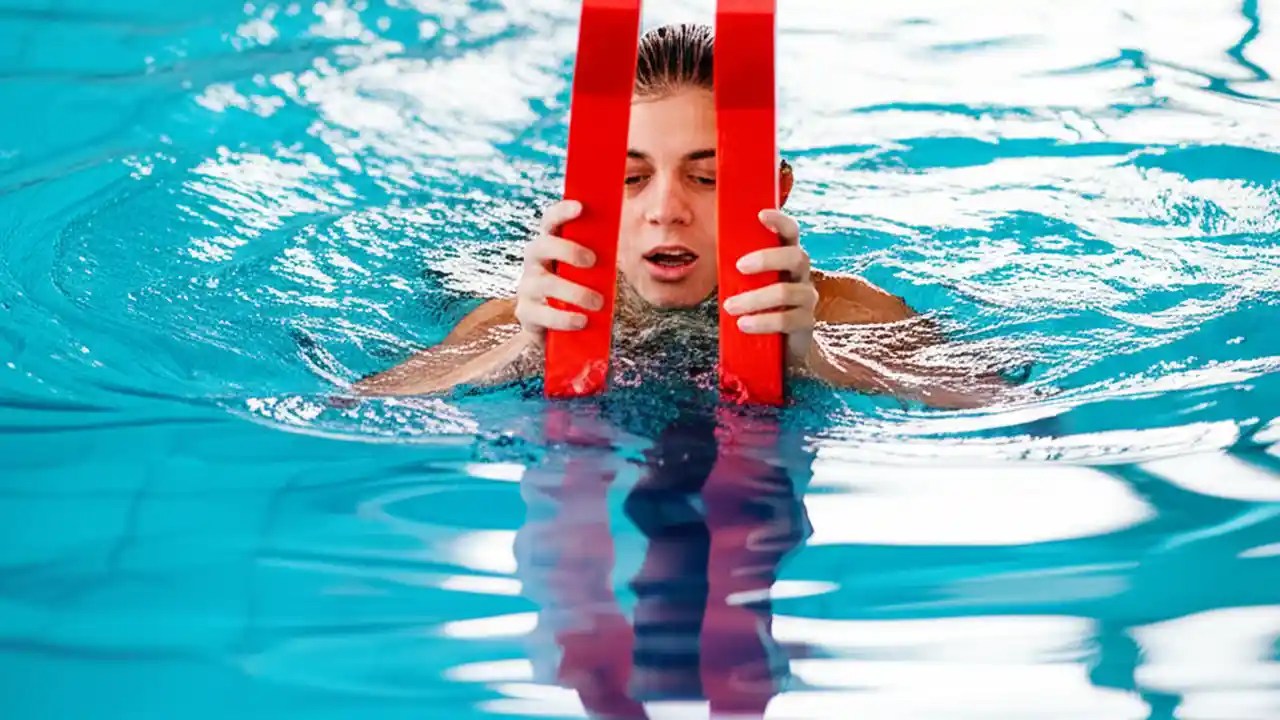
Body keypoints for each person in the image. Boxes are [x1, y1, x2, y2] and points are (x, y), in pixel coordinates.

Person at [354, 24, 1011, 409]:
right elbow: (354, 409)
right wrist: (517, 354)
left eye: (708, 178)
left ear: (776, 192)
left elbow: (1015, 413)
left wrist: (821, 361)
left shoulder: (849, 314)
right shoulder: (519, 318)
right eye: (631, 179)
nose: (665, 211)